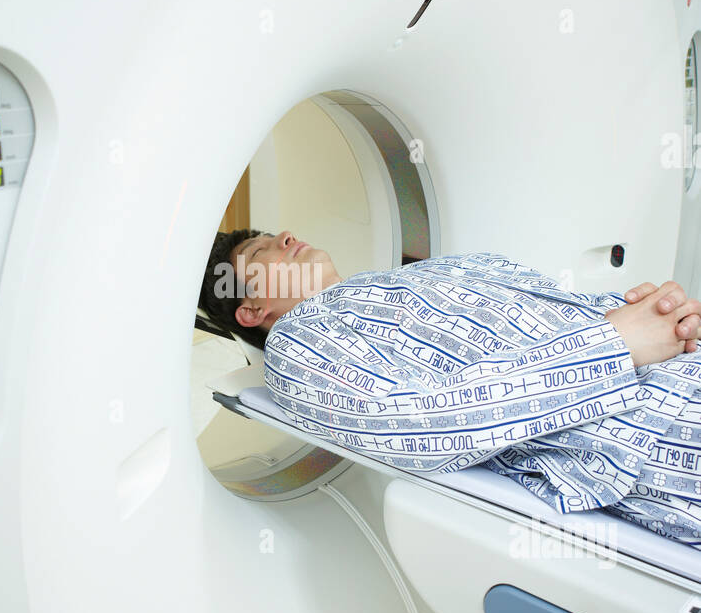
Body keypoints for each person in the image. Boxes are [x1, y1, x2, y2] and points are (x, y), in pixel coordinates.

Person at [198, 228, 701, 547]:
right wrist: (616, 343)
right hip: (650, 434)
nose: (286, 236)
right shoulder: (297, 343)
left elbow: (563, 305)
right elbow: (425, 425)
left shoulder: (429, 272)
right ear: (252, 311)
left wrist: (659, 312)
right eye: (263, 251)